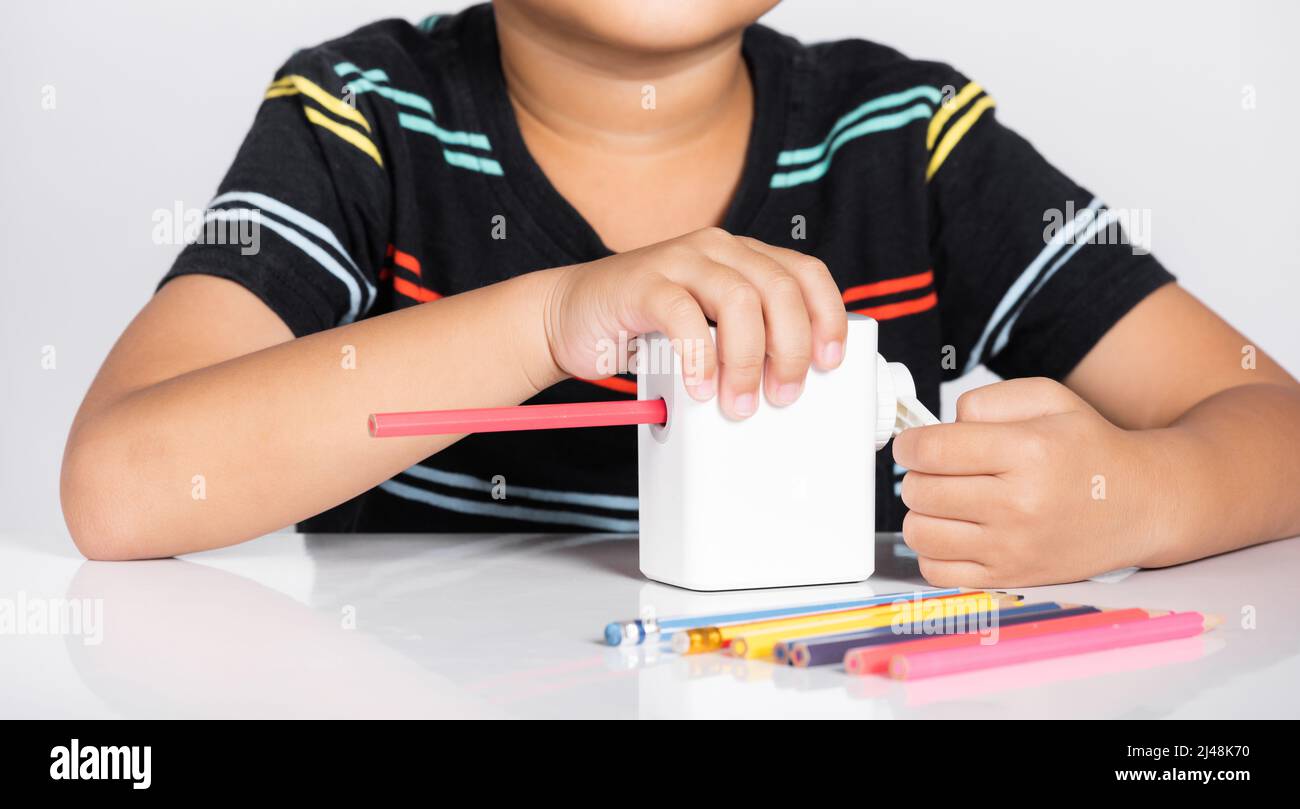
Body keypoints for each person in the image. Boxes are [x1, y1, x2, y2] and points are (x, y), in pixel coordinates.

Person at [60, 2, 1300, 586]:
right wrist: (551, 316)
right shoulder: (364, 120)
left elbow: (1276, 429)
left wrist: (1128, 498)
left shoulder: (907, 140)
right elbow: (122, 487)